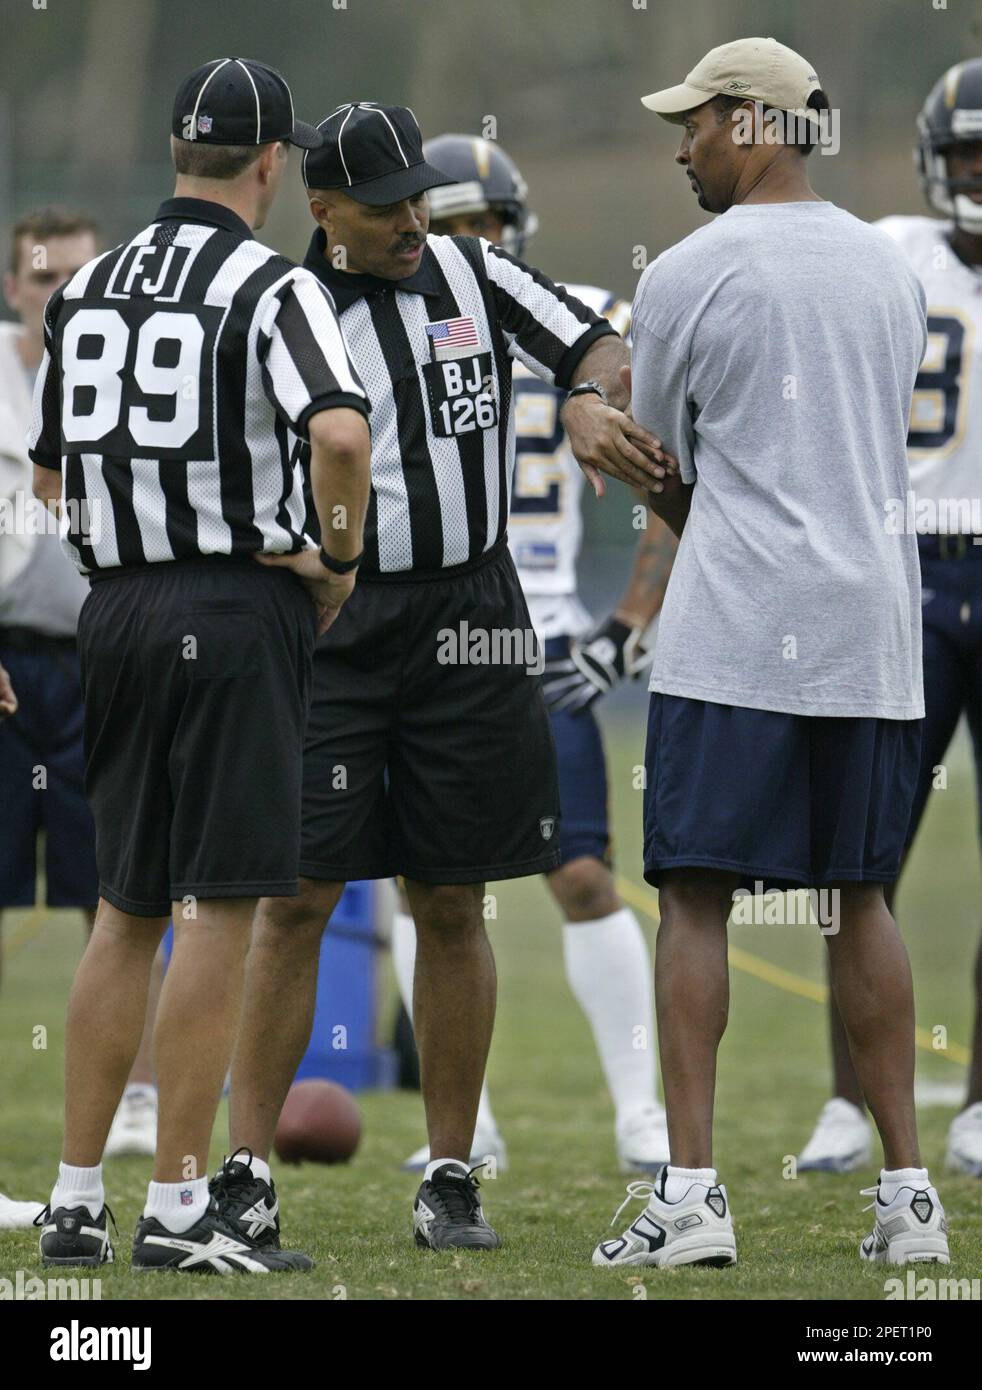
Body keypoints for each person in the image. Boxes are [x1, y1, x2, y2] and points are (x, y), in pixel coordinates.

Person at [218, 102, 672, 1256]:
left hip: (469, 614)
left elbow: (600, 345)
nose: (415, 219)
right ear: (322, 211)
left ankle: (453, 1171)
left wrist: (582, 393)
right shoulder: (279, 305)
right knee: (294, 898)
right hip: (334, 613)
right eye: (386, 206)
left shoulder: (472, 271)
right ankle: (242, 1171)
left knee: (456, 896)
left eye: (419, 194)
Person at [593, 37, 949, 1270]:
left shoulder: (688, 272)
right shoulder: (887, 270)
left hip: (736, 638)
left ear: (751, 123)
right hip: (872, 632)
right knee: (861, 898)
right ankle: (910, 1200)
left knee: (693, 898)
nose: (679, 146)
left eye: (692, 124)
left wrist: (707, 511)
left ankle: (690, 1197)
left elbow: (661, 466)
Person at [31, 57, 372, 1276]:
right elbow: (337, 429)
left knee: (122, 909)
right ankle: (177, 1205)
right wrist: (336, 560)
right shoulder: (272, 283)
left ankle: (75, 1198)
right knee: (216, 910)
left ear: (177, 153)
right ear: (272, 163)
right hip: (234, 606)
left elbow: (49, 469)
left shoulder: (89, 286)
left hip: (112, 608)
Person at [390, 133, 677, 1174]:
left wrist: (626, 626)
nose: (467, 244)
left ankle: (638, 1110)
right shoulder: (382, 317)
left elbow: (666, 473)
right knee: (411, 889)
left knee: (585, 876)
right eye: (449, 222)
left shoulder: (584, 325)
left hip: (542, 633)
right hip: (415, 632)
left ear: (516, 233)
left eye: (485, 226)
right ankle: (465, 1130)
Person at [798, 58, 982, 1180]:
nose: (979, 174)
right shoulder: (882, 252)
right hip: (902, 570)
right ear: (932, 158)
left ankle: (975, 1108)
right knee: (860, 855)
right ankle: (840, 1099)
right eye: (968, 153)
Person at [0, 207, 162, 1165]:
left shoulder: (131, 374)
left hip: (102, 652)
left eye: (75, 276)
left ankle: (140, 1096)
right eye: (40, 276)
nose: (57, 292)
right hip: (6, 657)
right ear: (13, 286)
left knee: (122, 889)